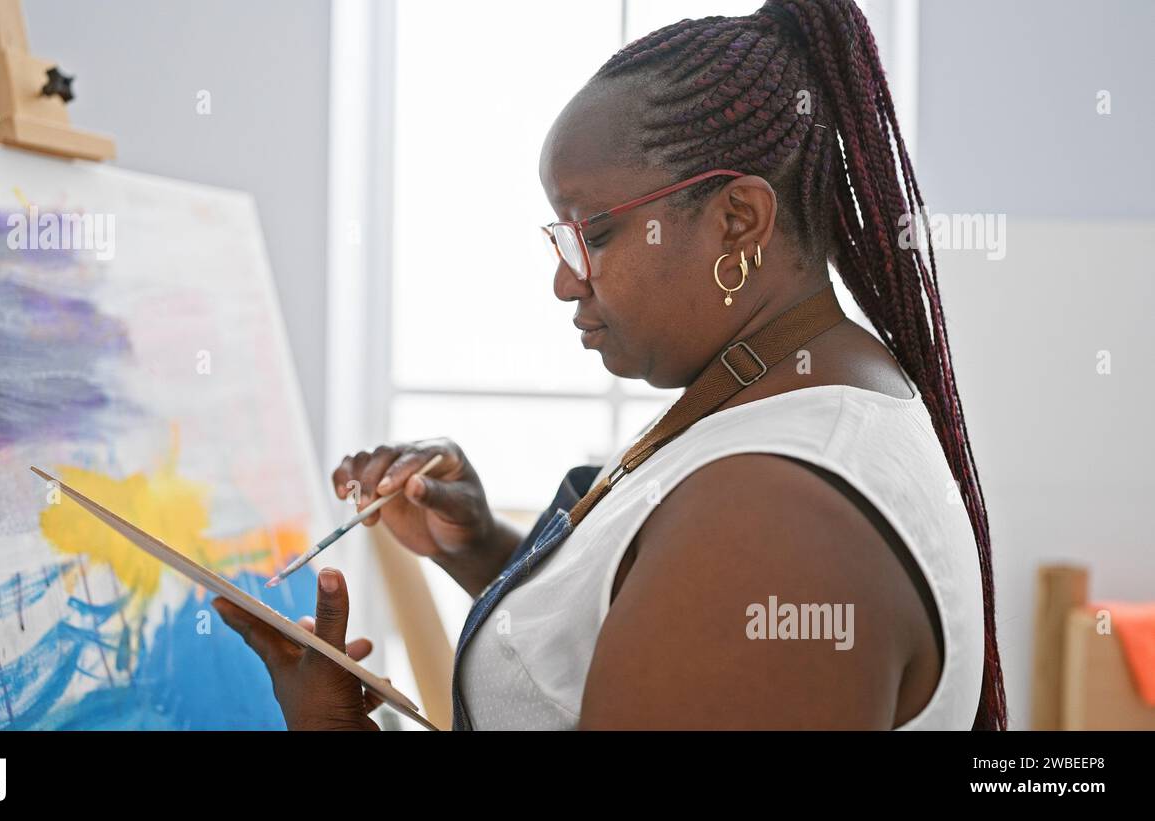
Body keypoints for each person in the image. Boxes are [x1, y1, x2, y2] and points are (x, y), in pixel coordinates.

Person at [213, 0, 1006, 730]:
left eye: (593, 233)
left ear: (738, 222)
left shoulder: (773, 527)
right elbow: (637, 623)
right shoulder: (791, 390)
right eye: (560, 239)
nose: (565, 277)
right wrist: (484, 548)